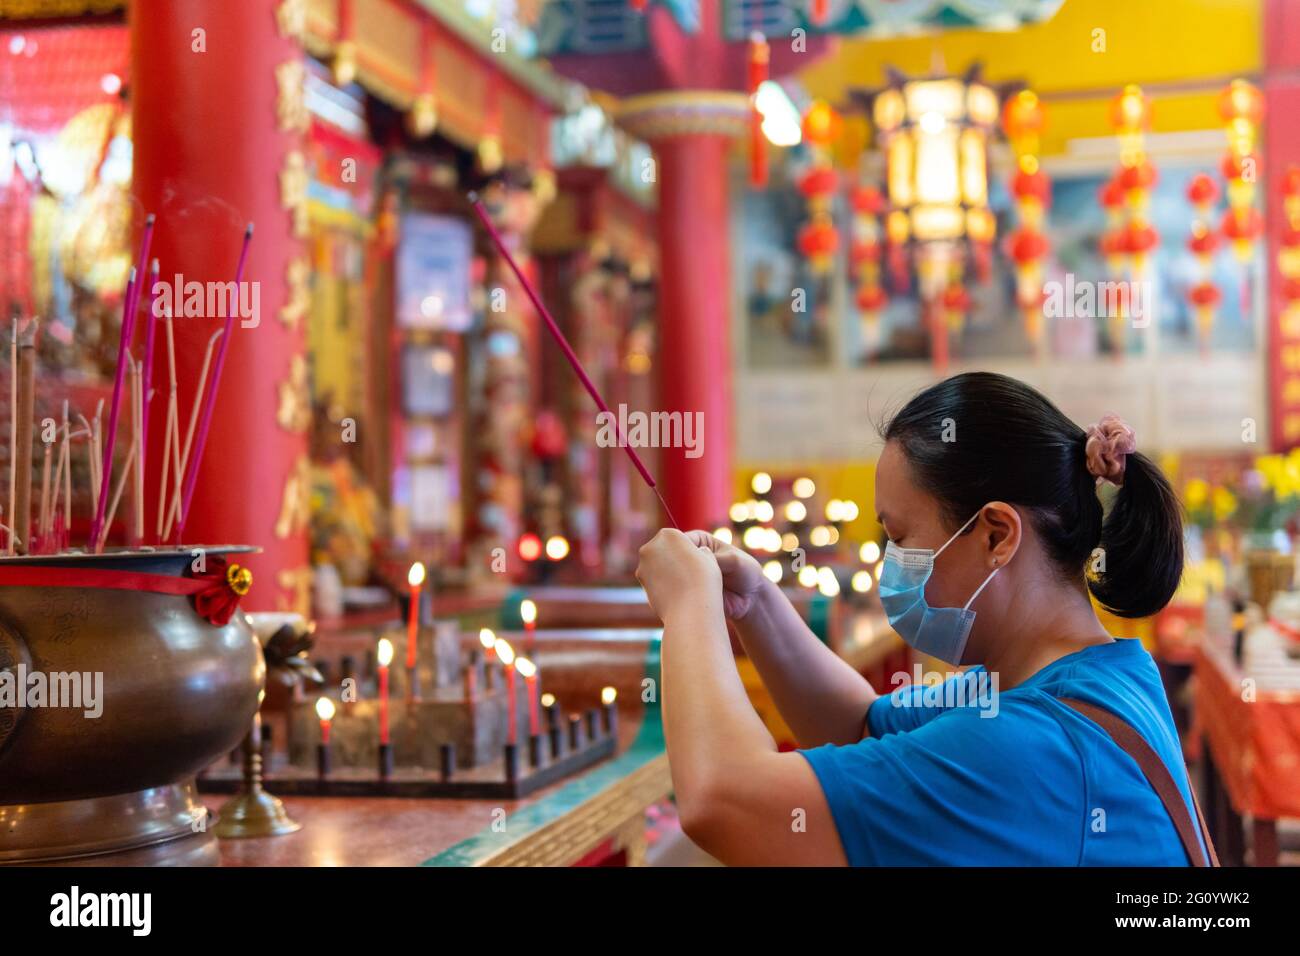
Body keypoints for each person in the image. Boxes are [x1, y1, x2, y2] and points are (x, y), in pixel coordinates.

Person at [635, 371, 1215, 866]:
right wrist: (754, 602)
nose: (892, 565)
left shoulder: (1032, 742)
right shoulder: (1085, 677)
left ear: (996, 535)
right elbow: (859, 725)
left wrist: (688, 609)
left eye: (899, 536)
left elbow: (724, 801)